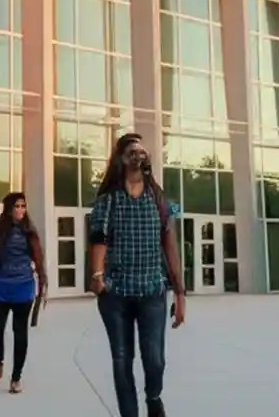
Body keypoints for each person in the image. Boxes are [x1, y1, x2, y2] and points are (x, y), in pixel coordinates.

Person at [88, 133, 185, 417]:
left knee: (154, 359)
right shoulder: (109, 200)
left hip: (152, 291)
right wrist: (97, 275)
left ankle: (153, 397)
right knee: (122, 359)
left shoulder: (158, 198)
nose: (139, 156)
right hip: (115, 293)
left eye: (143, 152)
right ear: (121, 158)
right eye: (132, 151)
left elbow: (170, 245)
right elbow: (99, 239)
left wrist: (179, 293)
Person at [0, 191, 46, 394]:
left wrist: (42, 281)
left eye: (23, 206)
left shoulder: (29, 230)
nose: (20, 210)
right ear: (9, 208)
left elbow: (38, 257)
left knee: (20, 333)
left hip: (23, 286)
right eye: (16, 206)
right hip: (0, 286)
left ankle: (16, 378)